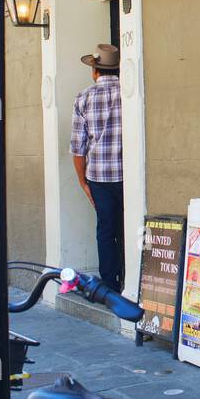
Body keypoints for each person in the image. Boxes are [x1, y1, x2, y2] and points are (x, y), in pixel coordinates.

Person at [70, 42, 124, 291]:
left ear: (95, 71)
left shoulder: (84, 98)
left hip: (99, 177)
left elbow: (77, 147)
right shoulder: (129, 93)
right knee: (129, 227)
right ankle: (132, 278)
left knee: (106, 228)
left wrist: (82, 182)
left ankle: (110, 284)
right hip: (127, 174)